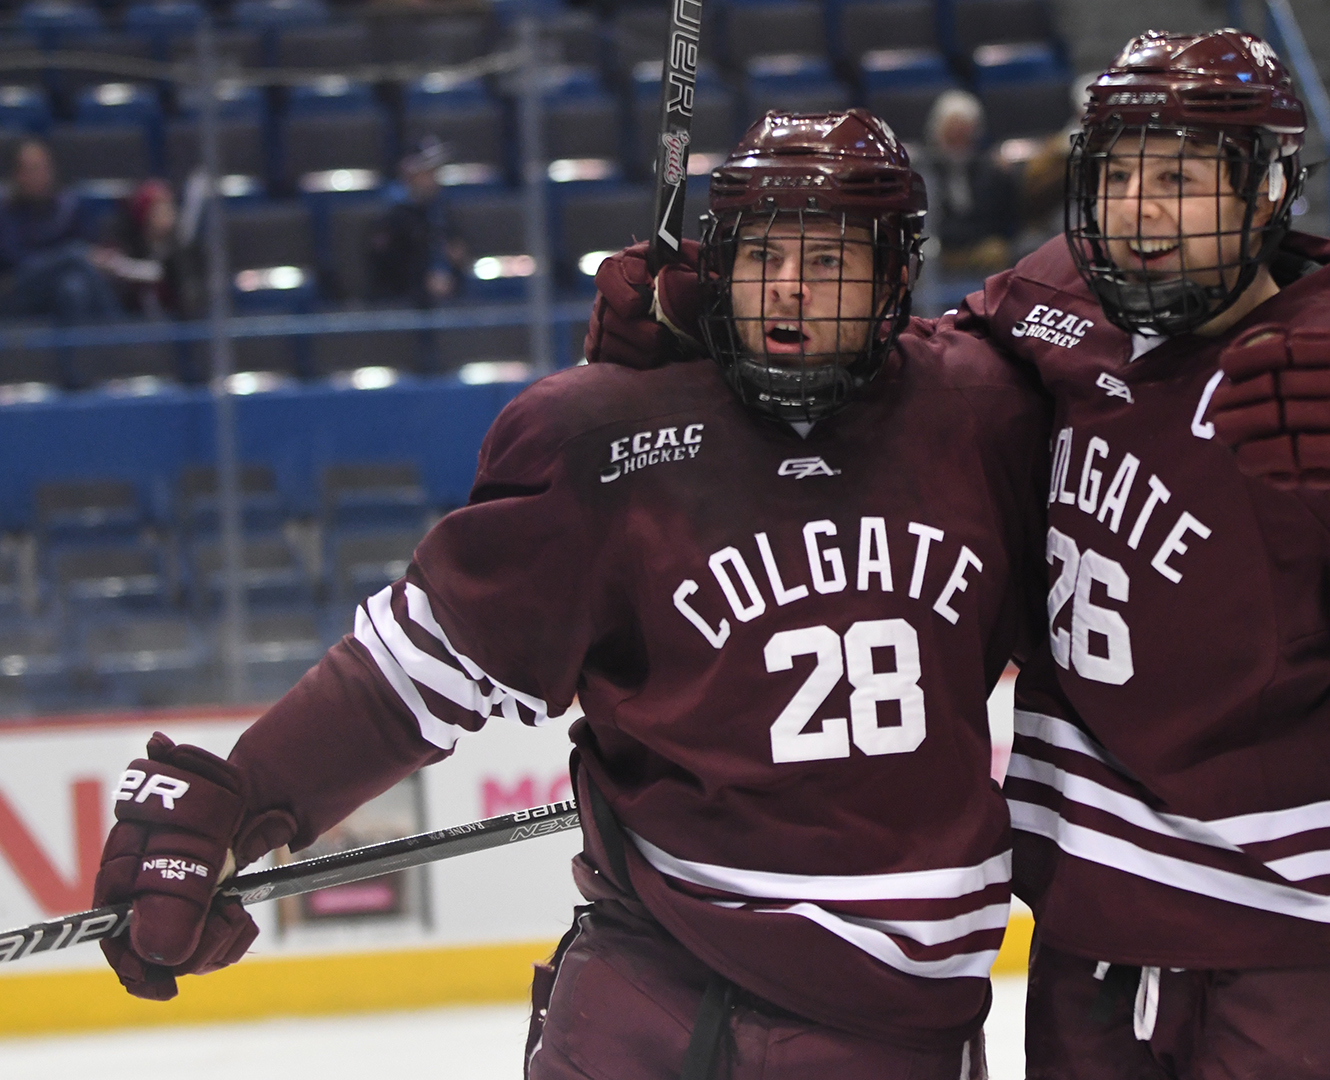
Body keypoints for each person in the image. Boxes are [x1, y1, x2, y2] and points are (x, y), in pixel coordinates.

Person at [589, 30, 1330, 1079]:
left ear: (1268, 189)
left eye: (1181, 178)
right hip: (1094, 948)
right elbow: (896, 396)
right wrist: (716, 344)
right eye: (1116, 174)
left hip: (1317, 957)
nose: (1139, 211)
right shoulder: (1054, 304)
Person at [91, 109, 1050, 1079]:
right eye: (765, 255)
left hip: (900, 1034)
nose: (792, 288)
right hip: (660, 1004)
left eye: (831, 260)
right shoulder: (610, 438)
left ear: (896, 274)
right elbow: (413, 673)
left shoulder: (984, 413)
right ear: (716, 265)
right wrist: (243, 799)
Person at [0, 138, 122, 323]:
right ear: (18, 175)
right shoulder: (5, 211)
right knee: (73, 255)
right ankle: (120, 331)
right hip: (17, 290)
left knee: (73, 288)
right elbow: (16, 261)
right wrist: (64, 258)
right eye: (33, 169)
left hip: (60, 286)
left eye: (45, 167)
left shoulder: (67, 206)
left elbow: (89, 248)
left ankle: (85, 350)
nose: (42, 175)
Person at [923, 89, 1021, 274]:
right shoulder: (925, 171)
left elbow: (1007, 217)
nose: (958, 140)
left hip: (983, 248)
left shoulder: (993, 171)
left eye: (964, 132)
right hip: (940, 249)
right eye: (952, 133)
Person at [365, 136, 469, 305]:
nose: (434, 179)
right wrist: (423, 282)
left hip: (445, 305)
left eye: (436, 172)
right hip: (401, 309)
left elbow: (457, 253)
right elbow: (386, 272)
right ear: (409, 174)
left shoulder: (441, 210)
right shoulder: (388, 217)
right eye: (428, 172)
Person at [95, 177, 206, 319]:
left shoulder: (182, 249)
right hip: (131, 318)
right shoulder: (128, 244)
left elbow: (183, 285)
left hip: (174, 319)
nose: (166, 215)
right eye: (158, 210)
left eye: (168, 207)